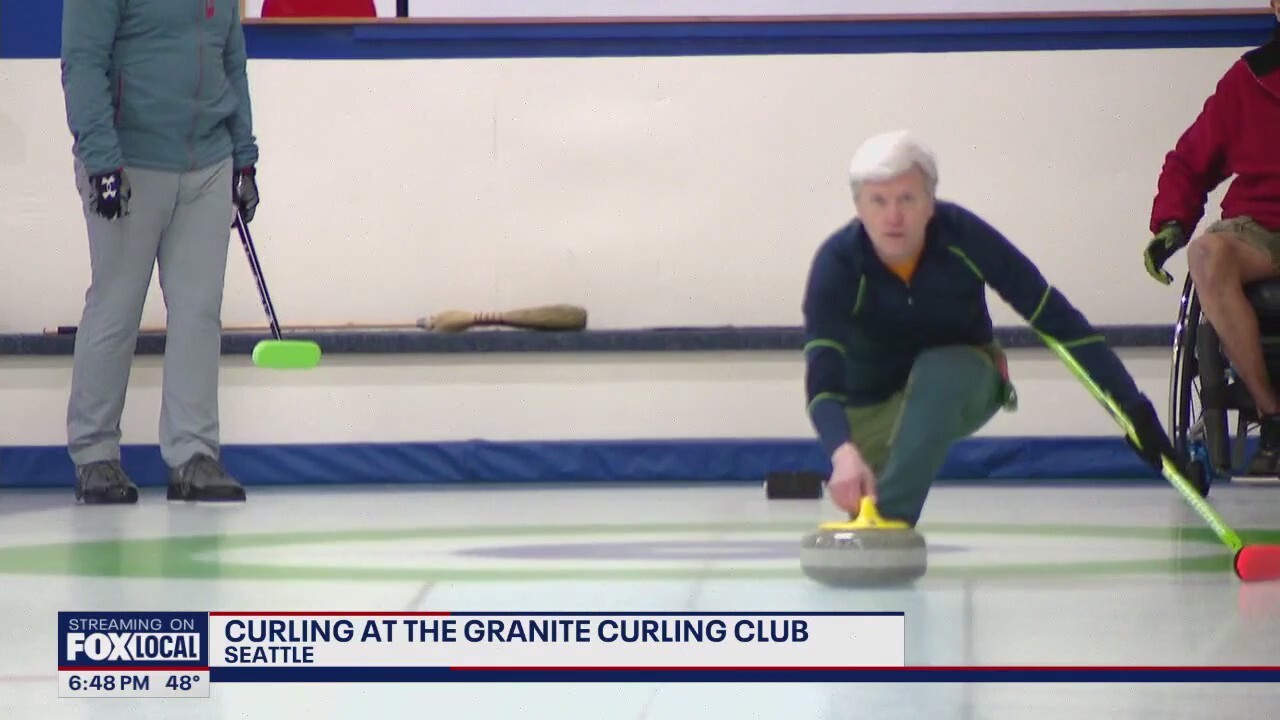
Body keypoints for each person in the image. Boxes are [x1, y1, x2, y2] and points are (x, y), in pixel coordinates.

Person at [802, 130, 1179, 524]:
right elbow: (823, 375)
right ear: (858, 207)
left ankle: (889, 525)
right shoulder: (838, 263)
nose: (892, 216)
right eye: (878, 201)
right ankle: (875, 509)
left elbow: (1057, 321)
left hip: (962, 385)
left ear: (930, 202)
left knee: (941, 369)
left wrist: (1136, 413)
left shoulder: (963, 236)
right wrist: (843, 452)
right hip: (870, 410)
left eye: (907, 199)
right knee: (863, 437)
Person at [60, 0, 261, 504]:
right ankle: (95, 455)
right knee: (116, 306)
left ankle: (194, 455)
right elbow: (81, 62)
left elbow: (232, 62)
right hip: (128, 164)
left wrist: (245, 158)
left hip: (208, 163)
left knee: (199, 312)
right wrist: (102, 161)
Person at [1143, 2, 1280, 476]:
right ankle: (1273, 420)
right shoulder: (1247, 80)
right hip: (1259, 228)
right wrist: (1170, 225)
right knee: (1207, 252)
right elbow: (1189, 160)